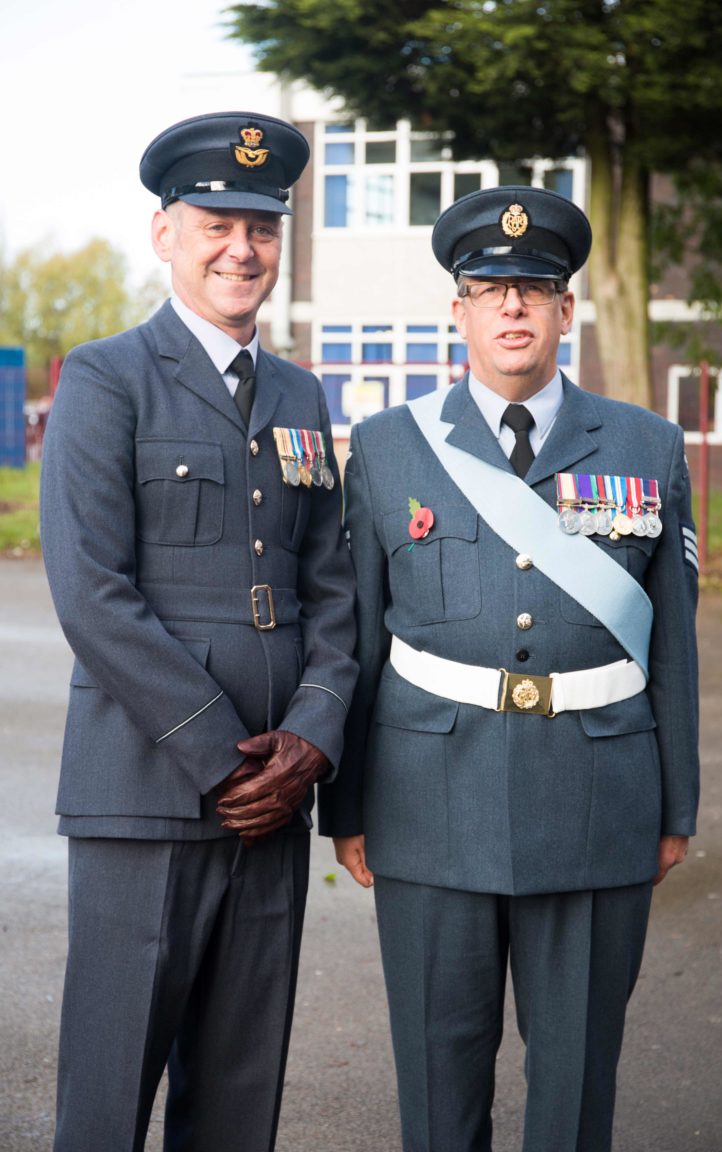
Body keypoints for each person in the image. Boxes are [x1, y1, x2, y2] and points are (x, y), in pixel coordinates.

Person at [320, 185, 699, 1152]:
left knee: (574, 1090)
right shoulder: (387, 448)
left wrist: (675, 808)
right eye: (490, 289)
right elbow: (360, 636)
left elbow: (675, 649)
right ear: (459, 309)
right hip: (427, 800)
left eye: (535, 288)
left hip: (597, 796)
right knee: (439, 1086)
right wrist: (348, 806)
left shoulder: (649, 447)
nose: (513, 307)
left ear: (567, 309)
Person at [40, 111, 357, 1152]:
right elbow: (92, 590)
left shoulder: (304, 392)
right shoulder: (104, 376)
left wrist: (310, 738)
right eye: (216, 222)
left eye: (261, 228)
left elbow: (330, 588)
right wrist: (224, 759)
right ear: (165, 232)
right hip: (149, 785)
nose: (241, 248)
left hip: (276, 792)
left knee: (238, 1090)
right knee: (110, 1087)